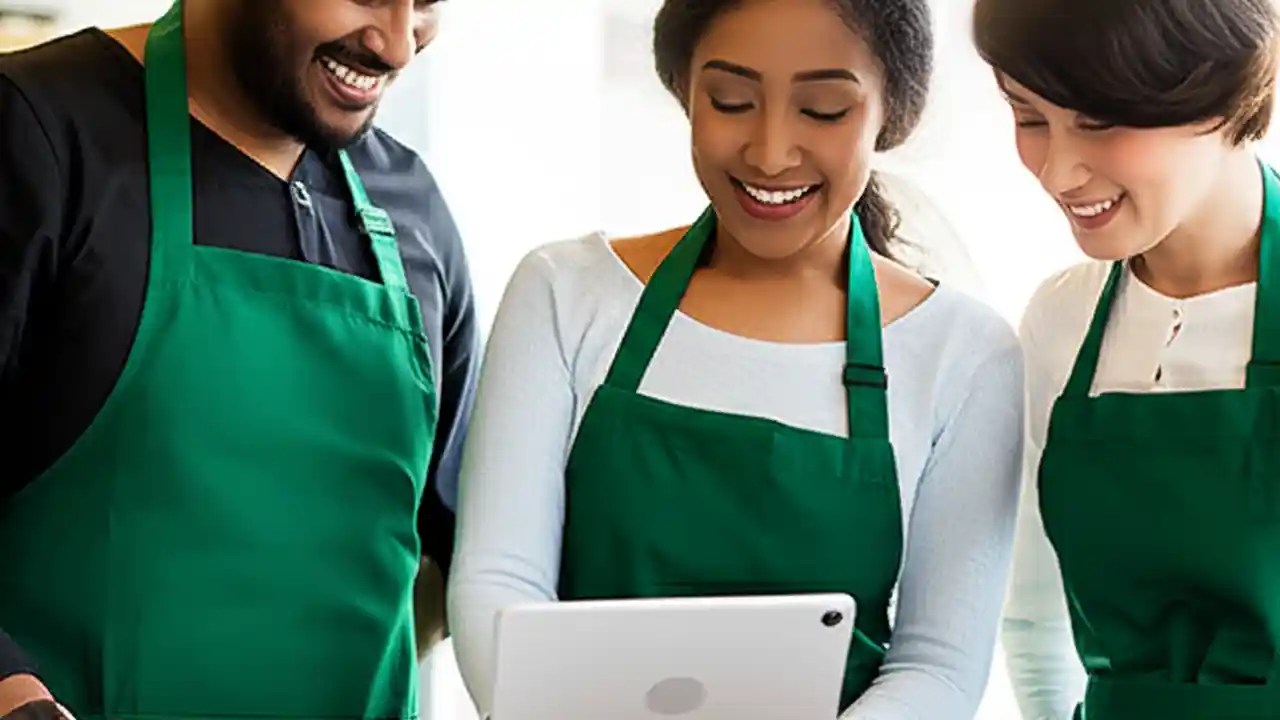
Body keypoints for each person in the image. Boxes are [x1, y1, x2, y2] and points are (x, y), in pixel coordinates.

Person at [447, 0, 1025, 717]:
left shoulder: (965, 353)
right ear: (683, 91)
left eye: (822, 110)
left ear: (891, 117)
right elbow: (497, 581)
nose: (770, 151)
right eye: (731, 101)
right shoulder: (564, 292)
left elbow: (937, 667)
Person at [0, 0, 479, 717]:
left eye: (430, 3)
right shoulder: (35, 133)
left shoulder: (413, 208)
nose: (400, 44)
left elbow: (469, 550)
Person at [973, 1, 1280, 718]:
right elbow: (1035, 619)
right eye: (1028, 118)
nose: (1057, 172)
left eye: (1099, 121)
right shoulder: (1061, 321)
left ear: (1223, 91)